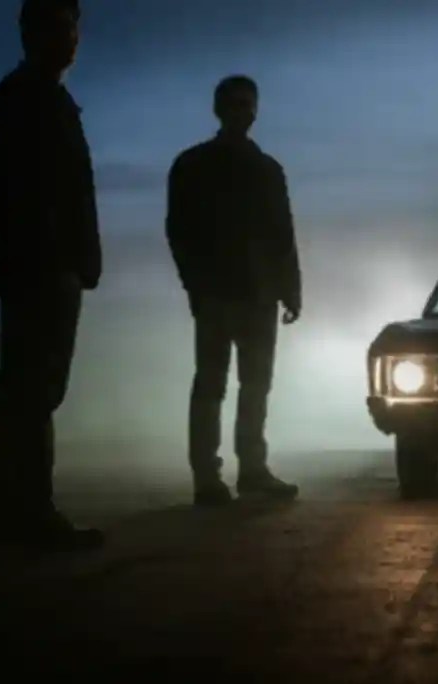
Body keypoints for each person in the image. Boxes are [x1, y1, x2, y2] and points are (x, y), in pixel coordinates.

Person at [0, 0, 103, 550]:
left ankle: (22, 512)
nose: (69, 38)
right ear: (31, 34)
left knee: (31, 390)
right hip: (40, 268)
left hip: (45, 267)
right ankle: (26, 515)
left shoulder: (38, 99)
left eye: (72, 26)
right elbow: (30, 197)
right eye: (57, 27)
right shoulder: (27, 101)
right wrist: (60, 261)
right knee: (29, 389)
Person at [166, 75, 302, 506]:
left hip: (255, 292)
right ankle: (210, 476)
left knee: (251, 385)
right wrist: (194, 284)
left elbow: (284, 235)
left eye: (247, 104)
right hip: (223, 291)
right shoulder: (197, 166)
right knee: (214, 384)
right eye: (235, 104)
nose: (242, 111)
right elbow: (179, 231)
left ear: (254, 110)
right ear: (220, 109)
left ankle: (248, 470)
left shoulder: (264, 169)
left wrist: (291, 289)